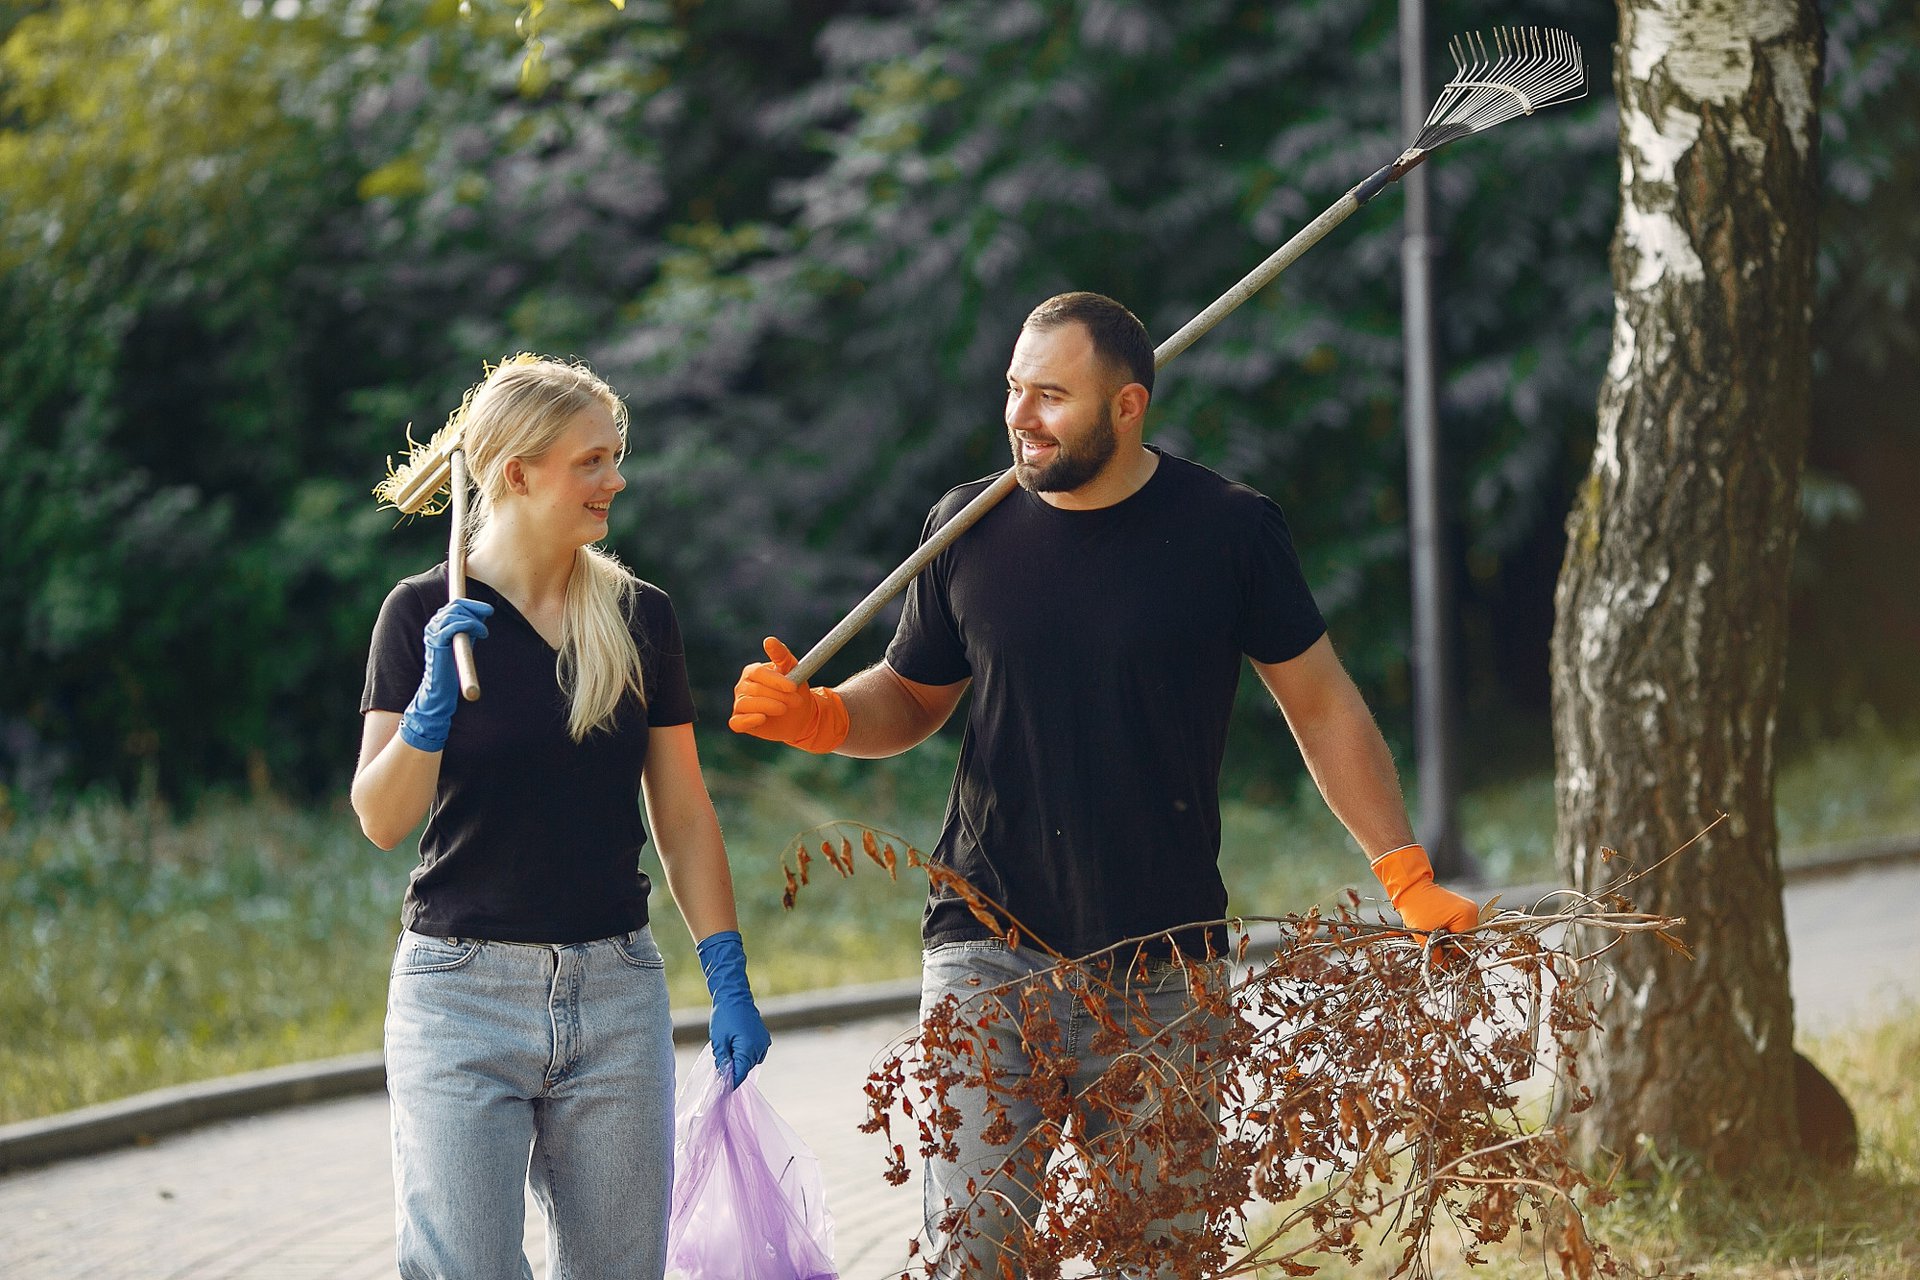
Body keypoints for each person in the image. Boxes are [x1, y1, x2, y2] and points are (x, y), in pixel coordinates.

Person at [728, 292, 1478, 1276]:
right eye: (1013, 389)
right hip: (988, 949)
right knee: (972, 1254)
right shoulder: (967, 524)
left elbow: (1324, 707)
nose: (1021, 416)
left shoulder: (1229, 530)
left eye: (1051, 395)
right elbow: (912, 697)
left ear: (1128, 406)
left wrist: (1403, 867)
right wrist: (823, 715)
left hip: (1165, 964)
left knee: (1162, 1259)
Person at [352, 354, 771, 1280]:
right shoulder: (423, 611)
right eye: (592, 461)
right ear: (517, 473)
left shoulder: (640, 618)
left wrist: (725, 968)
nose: (615, 479)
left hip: (615, 992)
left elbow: (685, 812)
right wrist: (429, 706)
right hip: (458, 997)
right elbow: (381, 819)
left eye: (615, 457)